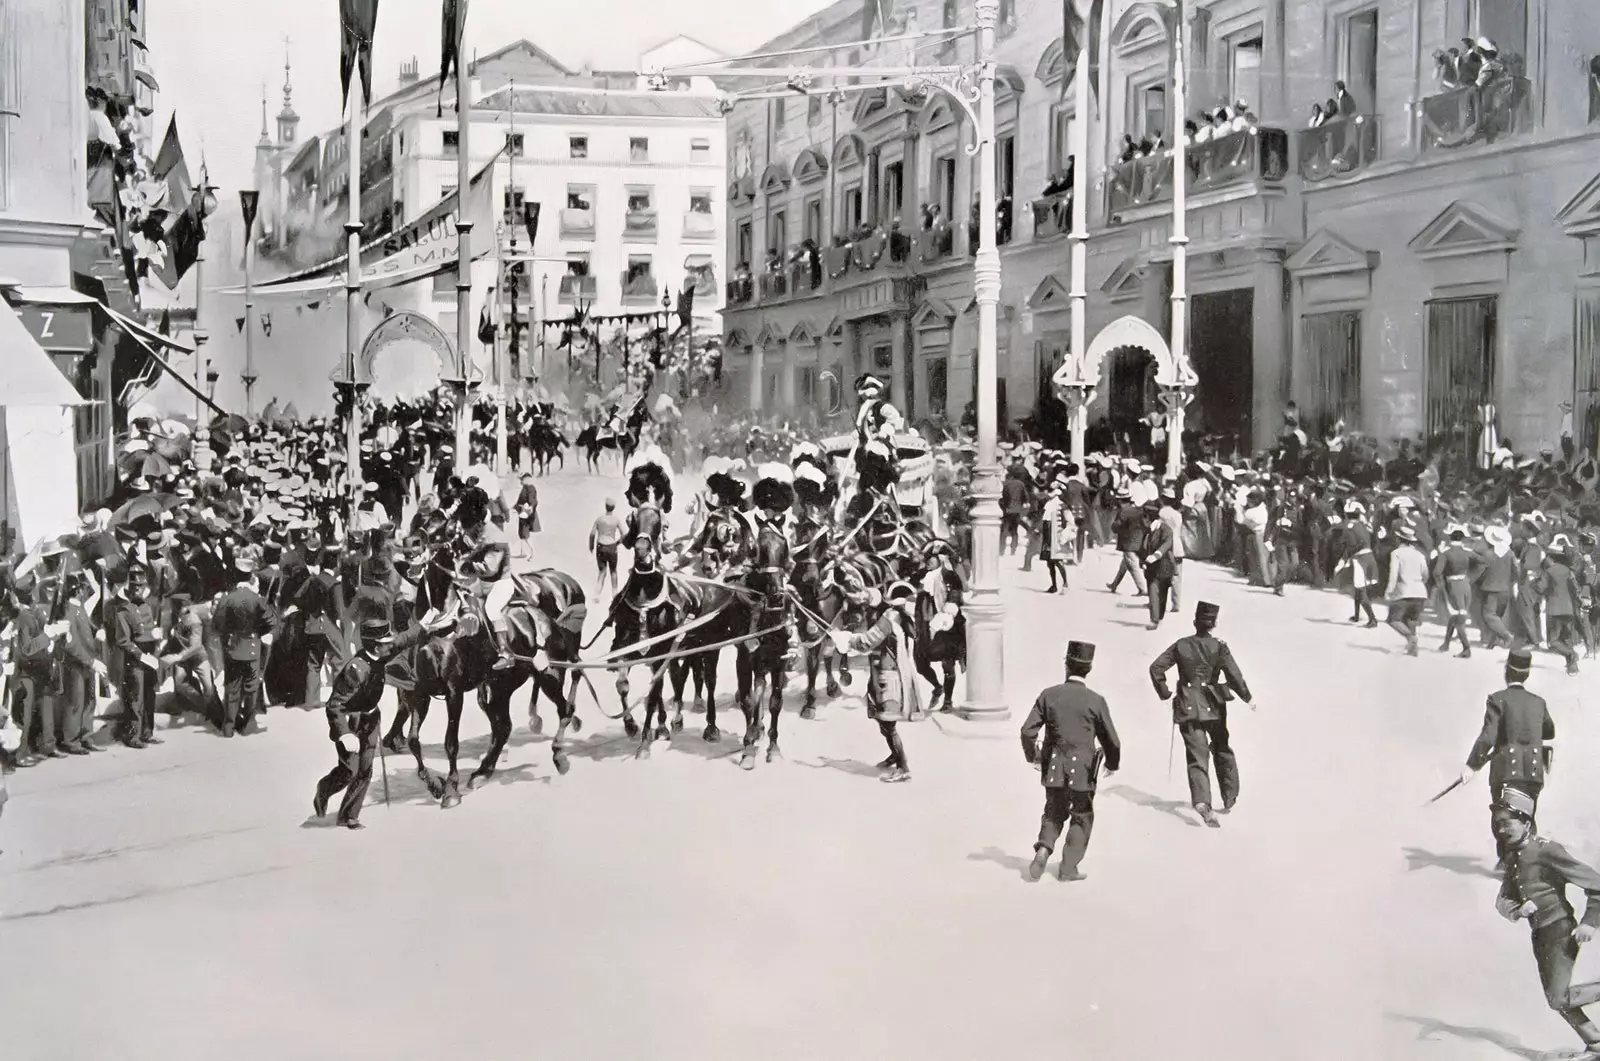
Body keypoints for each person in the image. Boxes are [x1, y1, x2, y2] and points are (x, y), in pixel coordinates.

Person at [314, 613, 455, 829]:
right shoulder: (357, 669)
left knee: (365, 770)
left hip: (370, 719)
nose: (390, 646)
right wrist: (344, 733)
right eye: (385, 643)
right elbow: (334, 705)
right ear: (374, 646)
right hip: (351, 722)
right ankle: (324, 789)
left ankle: (348, 816)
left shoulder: (381, 654)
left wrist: (423, 624)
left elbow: (403, 640)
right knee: (348, 771)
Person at [1492, 787, 1600, 1054]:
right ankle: (1596, 1044)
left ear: (1526, 822)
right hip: (1540, 933)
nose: (1502, 830)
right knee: (1556, 999)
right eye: (1498, 825)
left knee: (1559, 998)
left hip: (1560, 929)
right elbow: (1502, 899)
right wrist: (1518, 910)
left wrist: (1589, 922)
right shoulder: (1511, 857)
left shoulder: (1546, 850)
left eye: (1508, 823)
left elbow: (1597, 884)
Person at [1019, 640, 1121, 882]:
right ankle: (1068, 868)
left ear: (1066, 665)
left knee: (1053, 811)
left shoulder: (1049, 695)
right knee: (1082, 815)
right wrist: (1112, 764)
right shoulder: (1096, 700)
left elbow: (1027, 731)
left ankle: (1044, 849)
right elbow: (1112, 741)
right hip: (1083, 771)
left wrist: (1033, 756)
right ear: (1089, 668)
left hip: (1054, 766)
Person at [1149, 601, 1254, 827]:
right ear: (1214, 624)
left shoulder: (1181, 645)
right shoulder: (1220, 647)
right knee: (1222, 748)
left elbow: (1156, 668)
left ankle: (1202, 802)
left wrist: (1165, 691)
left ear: (1195, 622)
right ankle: (1229, 796)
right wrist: (1247, 698)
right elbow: (1235, 675)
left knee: (1197, 756)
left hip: (1187, 704)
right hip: (1213, 705)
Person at [1459, 647, 1554, 869]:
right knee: (1526, 817)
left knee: (1503, 820)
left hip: (1506, 771)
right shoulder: (1538, 702)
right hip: (1532, 772)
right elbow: (1549, 731)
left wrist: (1472, 765)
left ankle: (1509, 864)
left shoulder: (1497, 699)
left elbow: (1488, 736)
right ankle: (1526, 865)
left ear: (1506, 672)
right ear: (1526, 674)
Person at [831, 581, 920, 783]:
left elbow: (867, 642)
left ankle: (903, 766)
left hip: (888, 677)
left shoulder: (889, 618)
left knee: (888, 724)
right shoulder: (903, 617)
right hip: (889, 672)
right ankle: (894, 756)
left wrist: (845, 638)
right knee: (883, 720)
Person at [211, 545, 275, 738]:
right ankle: (247, 725)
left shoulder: (227, 599)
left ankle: (228, 727)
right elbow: (271, 621)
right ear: (250, 577)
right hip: (253, 647)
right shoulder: (257, 599)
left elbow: (217, 626)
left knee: (232, 688)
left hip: (233, 647)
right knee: (250, 688)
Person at [112, 566, 163, 749]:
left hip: (151, 655)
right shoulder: (123, 610)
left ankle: (147, 732)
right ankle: (133, 735)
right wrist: (142, 656)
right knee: (136, 697)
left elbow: (152, 629)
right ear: (129, 587)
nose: (137, 590)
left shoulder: (149, 605)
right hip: (136, 658)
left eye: (140, 586)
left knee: (150, 695)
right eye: (134, 586)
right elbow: (123, 640)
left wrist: (158, 635)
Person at [1384, 523, 1429, 656]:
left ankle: (1411, 638)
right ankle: (1413, 648)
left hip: (1404, 591)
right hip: (1420, 591)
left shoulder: (1396, 553)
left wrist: (1389, 590)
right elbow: (1425, 573)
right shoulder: (1420, 555)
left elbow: (1393, 574)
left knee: (1393, 619)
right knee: (1411, 620)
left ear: (1399, 539)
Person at [588, 499, 626, 598]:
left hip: (601, 546)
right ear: (614, 508)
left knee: (602, 571)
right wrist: (618, 543)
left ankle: (597, 594)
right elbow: (624, 534)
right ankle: (614, 593)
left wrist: (591, 546)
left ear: (605, 506)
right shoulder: (616, 520)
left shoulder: (599, 519)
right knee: (613, 571)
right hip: (612, 546)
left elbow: (592, 534)